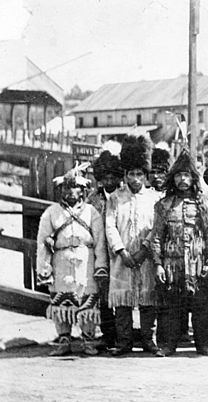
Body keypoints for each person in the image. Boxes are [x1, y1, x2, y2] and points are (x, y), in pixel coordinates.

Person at [151, 150, 208, 357]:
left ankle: (203, 344)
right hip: (172, 265)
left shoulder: (203, 204)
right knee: (170, 306)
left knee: (202, 306)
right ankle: (168, 345)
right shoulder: (164, 205)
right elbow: (156, 237)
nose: (183, 179)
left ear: (193, 178)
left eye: (187, 175)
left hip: (198, 264)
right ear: (173, 178)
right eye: (179, 175)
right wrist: (158, 264)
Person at [36, 164, 108, 356]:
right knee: (61, 303)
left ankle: (88, 340)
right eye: (66, 187)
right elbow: (42, 243)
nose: (70, 191)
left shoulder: (92, 212)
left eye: (74, 187)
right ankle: (63, 341)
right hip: (61, 262)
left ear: (83, 190)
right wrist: (44, 269)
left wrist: (101, 266)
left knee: (87, 301)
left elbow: (100, 241)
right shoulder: (51, 213)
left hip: (86, 261)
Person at [106, 136, 162, 356]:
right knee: (123, 300)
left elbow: (157, 226)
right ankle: (124, 342)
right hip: (123, 257)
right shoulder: (115, 198)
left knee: (148, 299)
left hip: (146, 256)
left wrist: (145, 248)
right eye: (131, 174)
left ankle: (149, 340)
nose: (135, 179)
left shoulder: (155, 197)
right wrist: (121, 250)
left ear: (145, 175)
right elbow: (110, 225)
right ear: (125, 175)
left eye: (140, 174)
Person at [86, 150, 123, 350]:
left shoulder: (123, 197)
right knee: (104, 296)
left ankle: (126, 334)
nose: (109, 181)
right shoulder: (92, 200)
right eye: (105, 177)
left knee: (124, 295)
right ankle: (109, 335)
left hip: (120, 251)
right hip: (101, 254)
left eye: (113, 177)